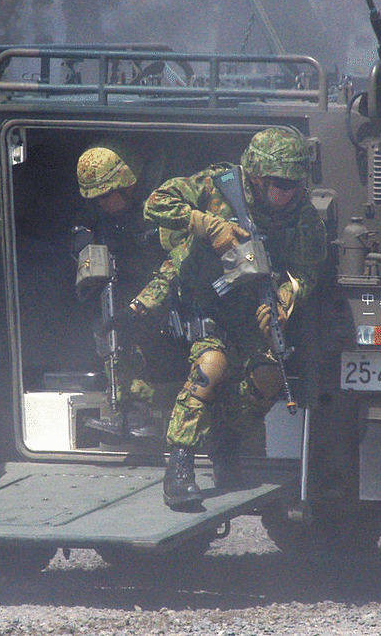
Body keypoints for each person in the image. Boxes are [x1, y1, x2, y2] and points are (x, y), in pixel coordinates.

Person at [144, 127, 326, 510]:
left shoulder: (301, 216)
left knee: (270, 376)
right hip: (206, 306)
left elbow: (308, 269)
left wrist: (285, 298)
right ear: (257, 177)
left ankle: (224, 444)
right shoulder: (217, 186)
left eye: (294, 184)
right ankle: (179, 466)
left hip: (252, 316)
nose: (288, 192)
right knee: (210, 368)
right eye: (279, 184)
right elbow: (156, 204)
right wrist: (208, 224)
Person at [73, 140, 178, 440]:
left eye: (107, 195)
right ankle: (129, 410)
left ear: (127, 183)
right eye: (96, 198)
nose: (102, 203)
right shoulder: (101, 201)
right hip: (130, 289)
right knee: (110, 332)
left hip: (166, 289)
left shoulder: (162, 201)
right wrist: (81, 242)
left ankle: (139, 410)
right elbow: (84, 222)